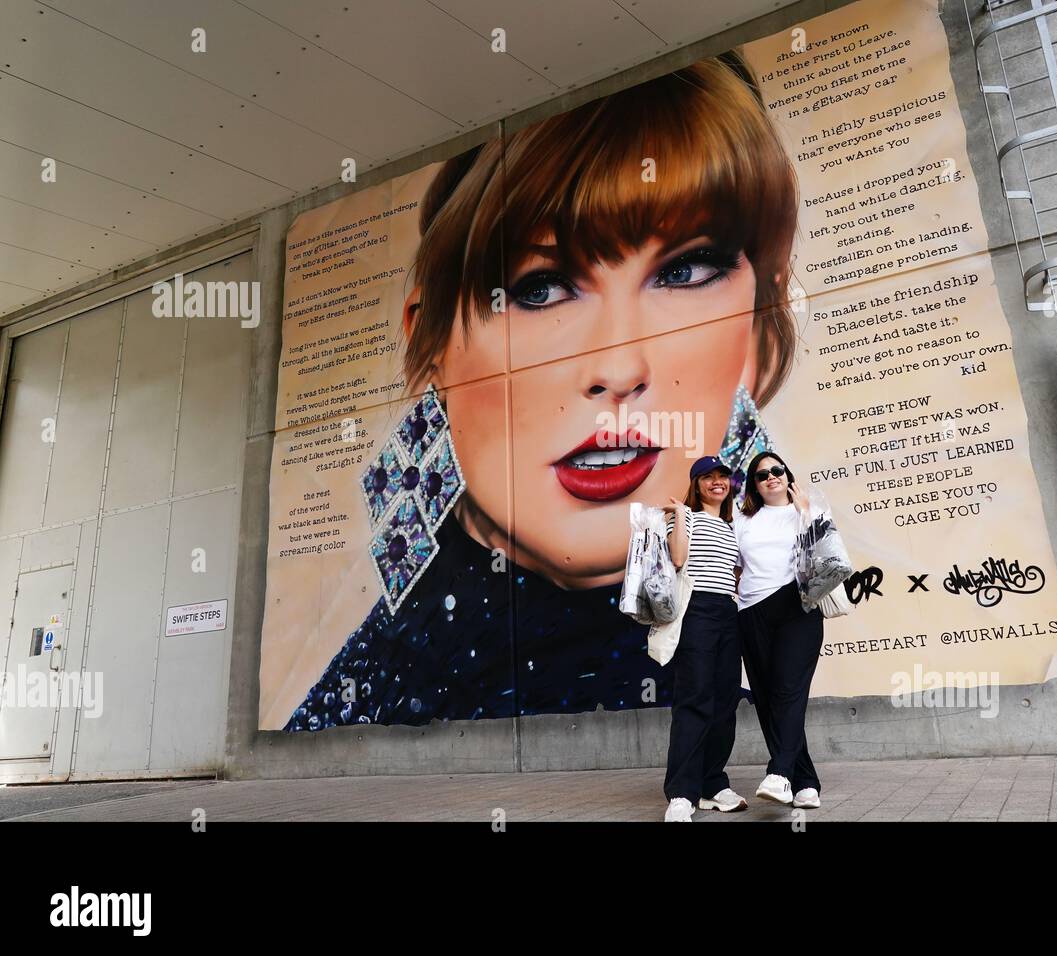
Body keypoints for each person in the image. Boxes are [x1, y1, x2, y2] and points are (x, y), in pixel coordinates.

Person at [283, 50, 800, 729]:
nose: (618, 368)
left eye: (685, 271)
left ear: (759, 331)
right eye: (540, 288)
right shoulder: (374, 688)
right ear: (430, 343)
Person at [734, 452, 823, 808]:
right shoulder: (743, 519)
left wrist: (806, 512)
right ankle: (805, 782)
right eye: (761, 475)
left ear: (787, 474)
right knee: (768, 699)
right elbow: (735, 566)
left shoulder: (808, 508)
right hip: (751, 612)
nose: (771, 477)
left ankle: (780, 773)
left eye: (777, 470)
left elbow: (829, 556)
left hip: (797, 607)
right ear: (754, 485)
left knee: (788, 691)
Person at [661, 456, 748, 822]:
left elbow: (738, 572)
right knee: (694, 698)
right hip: (696, 610)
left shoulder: (733, 526)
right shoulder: (685, 518)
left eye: (722, 477)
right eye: (707, 477)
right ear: (696, 484)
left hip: (729, 612)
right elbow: (678, 558)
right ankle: (682, 792)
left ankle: (713, 785)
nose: (717, 483)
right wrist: (681, 516)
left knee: (725, 701)